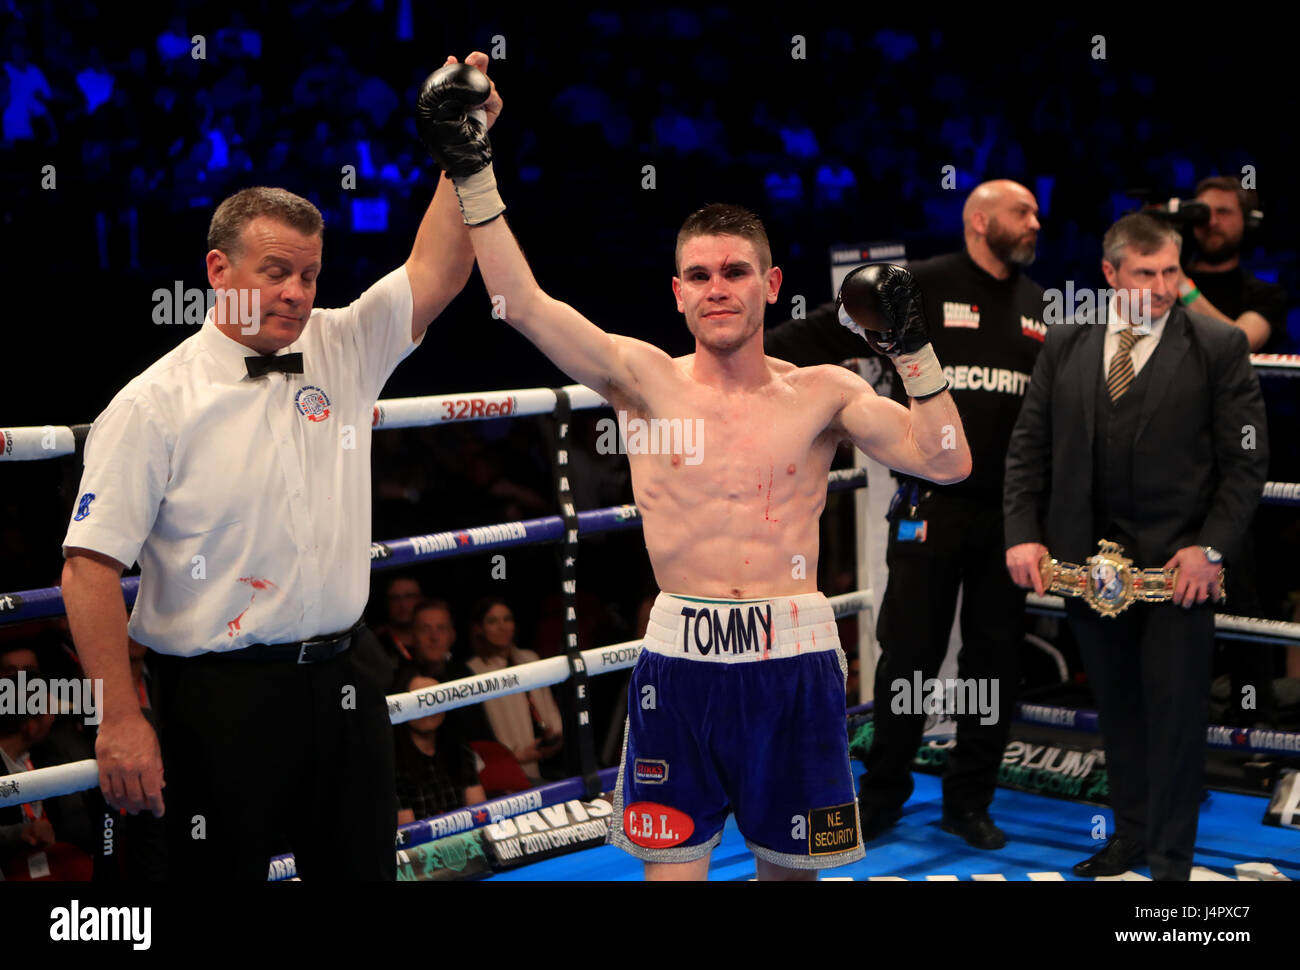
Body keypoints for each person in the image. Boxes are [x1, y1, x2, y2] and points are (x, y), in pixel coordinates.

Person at [418, 63, 970, 880]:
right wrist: (470, 164)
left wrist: (914, 351)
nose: (719, 289)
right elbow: (522, 303)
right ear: (677, 293)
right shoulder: (643, 381)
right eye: (702, 276)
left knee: (792, 873)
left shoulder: (824, 391)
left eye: (737, 272)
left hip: (795, 661)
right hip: (681, 664)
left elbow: (945, 461)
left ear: (771, 285)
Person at [59, 52, 503, 881]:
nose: (298, 292)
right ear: (217, 273)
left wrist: (463, 148)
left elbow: (439, 271)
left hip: (344, 677)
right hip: (216, 699)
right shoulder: (153, 404)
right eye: (276, 273)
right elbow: (88, 568)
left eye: (308, 274)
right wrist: (119, 714)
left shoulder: (339, 344)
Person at [765, 179, 1045, 849]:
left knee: (995, 663)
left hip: (1007, 517)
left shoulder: (1040, 307)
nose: (1037, 221)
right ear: (979, 220)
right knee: (909, 658)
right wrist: (737, 367)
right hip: (929, 505)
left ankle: (969, 801)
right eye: (1022, 211)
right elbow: (810, 334)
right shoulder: (912, 285)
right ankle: (883, 795)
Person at [1004, 212, 1269, 880]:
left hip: (1177, 570)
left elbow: (1246, 462)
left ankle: (1172, 861)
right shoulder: (1067, 342)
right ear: (1110, 273)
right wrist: (1023, 533)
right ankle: (1131, 837)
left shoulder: (1216, 344)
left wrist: (1211, 549)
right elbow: (1028, 447)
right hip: (1089, 571)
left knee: (1177, 717)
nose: (1159, 287)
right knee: (1117, 709)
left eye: (1170, 273)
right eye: (1145, 273)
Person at [1179, 176, 1287, 353]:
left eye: (1223, 212)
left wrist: (1181, 284)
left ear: (1247, 221)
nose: (1211, 222)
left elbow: (1241, 343)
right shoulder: (1163, 283)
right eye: (1203, 212)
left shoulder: (1266, 295)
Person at [464, 597, 564, 782]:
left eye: (507, 619)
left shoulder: (530, 658)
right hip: (507, 769)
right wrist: (515, 756)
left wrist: (554, 736)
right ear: (479, 628)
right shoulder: (473, 670)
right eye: (493, 621)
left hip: (548, 758)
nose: (502, 627)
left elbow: (549, 708)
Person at [392, 668, 486, 826]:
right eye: (420, 701)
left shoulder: (458, 746)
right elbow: (408, 831)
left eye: (436, 699)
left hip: (468, 840)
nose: (429, 707)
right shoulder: (392, 761)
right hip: (422, 846)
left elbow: (479, 812)